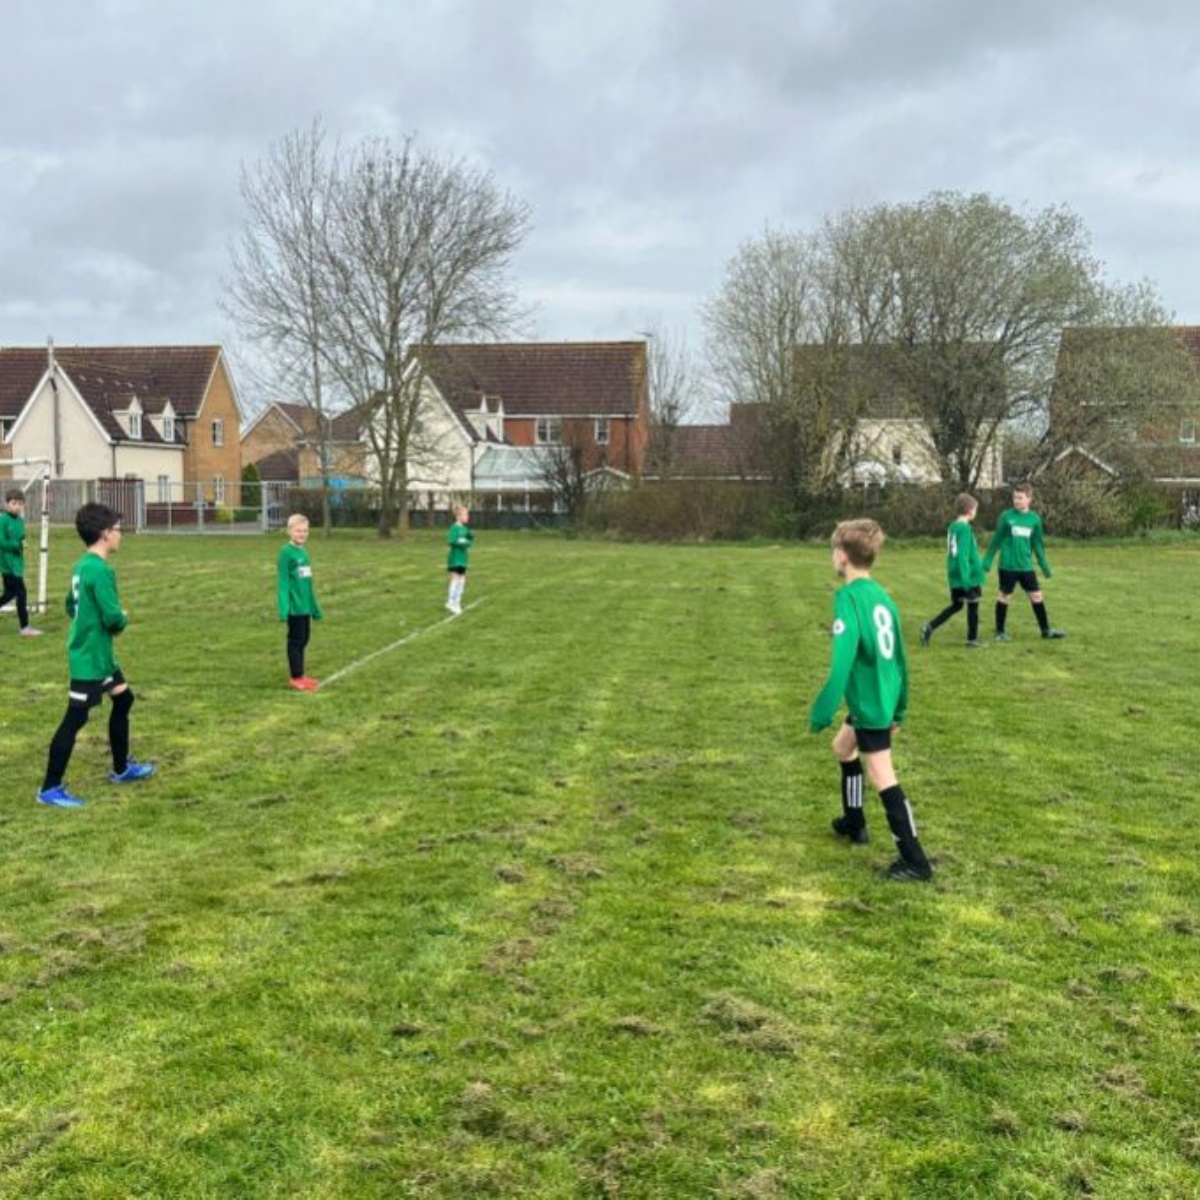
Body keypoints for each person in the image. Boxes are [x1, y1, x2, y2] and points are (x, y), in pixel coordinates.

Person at [809, 518, 933, 882]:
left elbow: (842, 662)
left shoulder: (847, 599)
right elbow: (901, 660)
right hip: (884, 697)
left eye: (834, 551)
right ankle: (854, 822)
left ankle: (915, 861)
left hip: (870, 705)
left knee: (883, 777)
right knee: (842, 747)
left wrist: (822, 708)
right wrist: (901, 706)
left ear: (842, 556)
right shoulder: (883, 596)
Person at [37, 503, 155, 809]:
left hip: (100, 655)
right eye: (118, 529)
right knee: (75, 718)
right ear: (105, 534)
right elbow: (114, 618)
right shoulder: (101, 570)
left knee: (124, 699)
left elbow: (69, 605)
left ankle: (121, 769)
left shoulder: (81, 565)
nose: (121, 535)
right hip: (89, 658)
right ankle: (49, 788)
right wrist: (122, 618)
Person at [982, 482, 1066, 642]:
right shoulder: (1006, 516)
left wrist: (1044, 566)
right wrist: (987, 561)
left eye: (1020, 498)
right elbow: (996, 541)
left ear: (1029, 499)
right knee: (1004, 597)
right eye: (1014, 497)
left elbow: (1037, 545)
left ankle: (1046, 631)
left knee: (1037, 596)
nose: (1016, 501)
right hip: (1007, 566)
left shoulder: (1034, 519)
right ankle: (1000, 632)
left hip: (1026, 567)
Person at [920, 493, 984, 649]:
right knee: (973, 605)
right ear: (970, 510)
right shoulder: (965, 529)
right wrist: (967, 580)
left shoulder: (953, 527)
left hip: (954, 573)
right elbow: (962, 555)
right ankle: (972, 640)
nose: (975, 512)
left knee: (957, 605)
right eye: (975, 509)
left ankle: (930, 626)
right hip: (967, 575)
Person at [278, 513, 322, 691]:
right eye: (298, 531)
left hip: (305, 607)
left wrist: (315, 607)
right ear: (289, 531)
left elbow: (308, 583)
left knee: (304, 639)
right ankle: (296, 677)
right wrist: (284, 608)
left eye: (305, 531)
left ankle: (301, 674)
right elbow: (283, 582)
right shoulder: (286, 553)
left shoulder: (303, 552)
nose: (302, 534)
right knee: (296, 641)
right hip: (294, 608)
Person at [0, 489, 43, 637]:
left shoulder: (20, 521)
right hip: (8, 565)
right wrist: (16, 545)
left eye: (20, 503)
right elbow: (1, 541)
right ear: (7, 504)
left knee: (9, 594)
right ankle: (25, 628)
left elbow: (21, 537)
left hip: (17, 563)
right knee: (21, 594)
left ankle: (25, 628)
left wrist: (23, 542)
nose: (17, 506)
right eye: (14, 503)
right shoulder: (3, 519)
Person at [445, 504, 473, 616]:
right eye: (466, 514)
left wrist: (467, 541)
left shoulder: (465, 529)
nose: (467, 517)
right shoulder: (454, 528)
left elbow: (470, 539)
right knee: (456, 578)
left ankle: (457, 602)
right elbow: (451, 541)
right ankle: (451, 602)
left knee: (462, 579)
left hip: (463, 558)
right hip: (455, 558)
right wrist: (460, 542)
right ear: (458, 516)